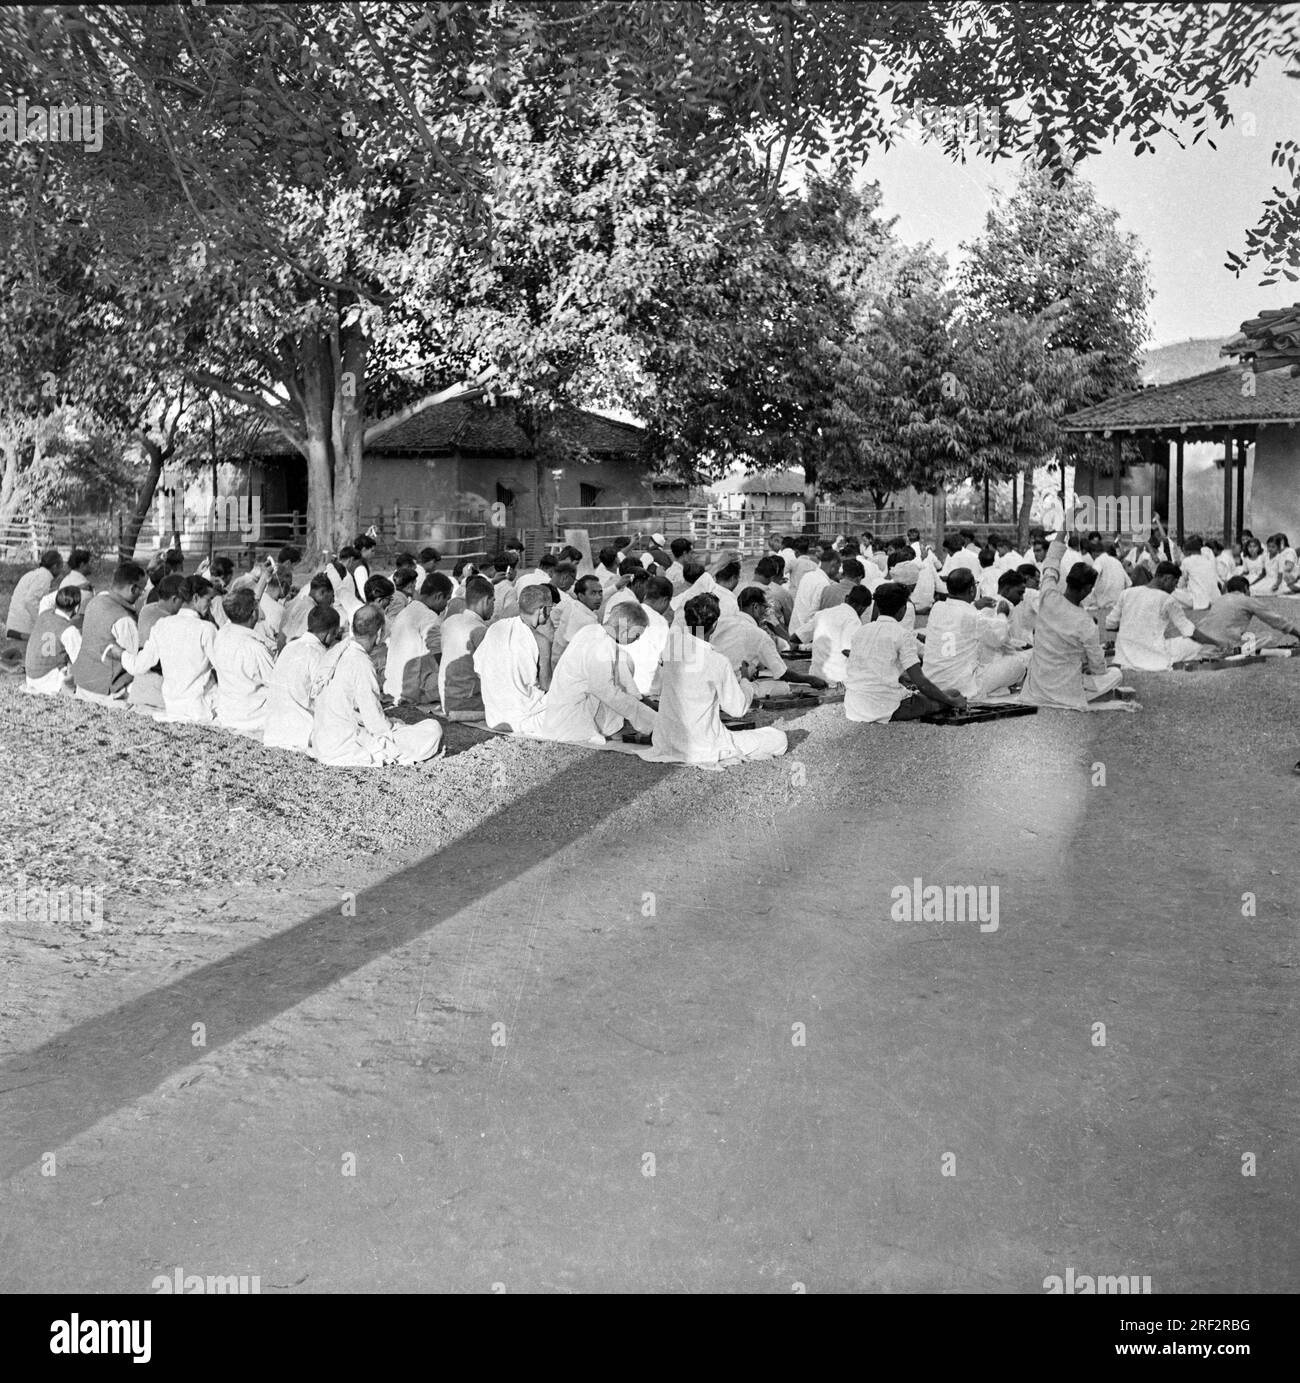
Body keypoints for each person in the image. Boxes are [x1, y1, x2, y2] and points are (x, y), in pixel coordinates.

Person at [640, 593, 788, 767]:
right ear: (715, 625)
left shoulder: (672, 648)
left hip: (665, 740)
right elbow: (738, 709)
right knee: (779, 739)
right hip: (702, 745)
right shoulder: (716, 661)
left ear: (688, 622)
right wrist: (745, 680)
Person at [312, 605, 443, 766]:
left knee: (406, 725)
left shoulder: (336, 650)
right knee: (433, 729)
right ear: (380, 633)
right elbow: (375, 723)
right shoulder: (361, 662)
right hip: (344, 745)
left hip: (322, 739)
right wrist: (394, 728)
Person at [1021, 533, 1127, 710]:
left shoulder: (1048, 595)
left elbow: (1051, 561)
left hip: (1037, 688)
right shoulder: (1086, 623)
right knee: (1116, 674)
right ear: (1087, 589)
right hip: (1066, 691)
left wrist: (1064, 528)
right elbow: (1099, 669)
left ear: (1068, 580)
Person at [527, 604, 658, 745]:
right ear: (625, 629)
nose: (637, 639)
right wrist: (653, 721)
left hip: (561, 714)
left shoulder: (591, 631)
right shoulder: (601, 645)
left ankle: (615, 729)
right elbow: (607, 692)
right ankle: (623, 729)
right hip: (570, 723)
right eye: (637, 635)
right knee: (612, 691)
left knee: (617, 679)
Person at [844, 582, 966, 722]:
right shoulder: (901, 634)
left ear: (877, 606)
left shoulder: (861, 631)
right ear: (902, 610)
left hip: (855, 705)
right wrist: (952, 701)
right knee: (952, 693)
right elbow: (922, 683)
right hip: (886, 707)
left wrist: (901, 679)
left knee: (925, 693)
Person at [115, 575, 218, 721]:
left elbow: (138, 666)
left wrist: (121, 654)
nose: (210, 605)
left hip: (172, 705)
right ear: (195, 598)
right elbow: (222, 666)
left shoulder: (162, 624)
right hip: (200, 708)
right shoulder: (206, 628)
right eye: (208, 600)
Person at [921, 568, 1031, 700]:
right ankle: (992, 690)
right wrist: (1002, 614)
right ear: (972, 590)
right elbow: (999, 639)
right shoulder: (973, 616)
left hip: (932, 683)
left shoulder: (937, 608)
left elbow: (959, 614)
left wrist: (973, 605)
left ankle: (996, 690)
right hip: (962, 686)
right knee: (1018, 663)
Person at [1107, 561, 1228, 670]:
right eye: (1174, 584)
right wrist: (1217, 643)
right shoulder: (1167, 599)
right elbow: (1189, 632)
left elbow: (1110, 624)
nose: (1174, 589)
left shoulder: (1126, 593)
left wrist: (1134, 628)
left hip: (1124, 655)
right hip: (1151, 656)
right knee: (1193, 644)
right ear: (1167, 578)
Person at [712, 585, 828, 692]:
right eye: (765, 608)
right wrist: (809, 679)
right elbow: (783, 673)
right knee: (783, 687)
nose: (767, 612)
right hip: (733, 688)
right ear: (755, 607)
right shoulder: (758, 634)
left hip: (713, 682)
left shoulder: (722, 622)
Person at [264, 604, 344, 752]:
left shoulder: (290, 646)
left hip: (273, 726)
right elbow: (325, 698)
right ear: (330, 633)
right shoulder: (318, 653)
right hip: (301, 730)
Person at [472, 583, 552, 731]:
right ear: (543, 610)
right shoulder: (541, 641)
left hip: (494, 717)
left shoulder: (496, 628)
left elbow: (479, 667)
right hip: (523, 718)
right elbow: (547, 686)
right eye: (550, 608)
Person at [71, 562, 147, 706]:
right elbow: (133, 663)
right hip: (107, 691)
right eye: (141, 591)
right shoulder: (124, 619)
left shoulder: (94, 601)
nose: (141, 595)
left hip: (83, 682)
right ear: (133, 589)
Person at [211, 586, 277, 737]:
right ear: (254, 613)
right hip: (254, 718)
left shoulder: (222, 634)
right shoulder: (254, 648)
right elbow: (276, 684)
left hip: (227, 712)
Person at [383, 572, 452, 704]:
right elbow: (439, 656)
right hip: (414, 691)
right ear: (438, 596)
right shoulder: (429, 616)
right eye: (447, 599)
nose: (446, 605)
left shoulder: (407, 611)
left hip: (394, 686)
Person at [127, 573, 188, 714]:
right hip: (159, 685)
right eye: (183, 601)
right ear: (175, 599)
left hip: (140, 684)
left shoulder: (147, 609)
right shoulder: (171, 621)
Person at [439, 575, 496, 718]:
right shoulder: (480, 630)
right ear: (485, 601)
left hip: (445, 697)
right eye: (493, 602)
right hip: (466, 703)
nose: (493, 607)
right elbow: (490, 673)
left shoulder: (449, 622)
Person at [1193, 576, 1300, 649]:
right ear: (1245, 588)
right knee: (1268, 637)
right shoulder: (1246, 600)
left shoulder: (1220, 599)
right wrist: (1298, 634)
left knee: (1245, 635)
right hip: (1225, 644)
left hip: (1203, 640)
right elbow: (1275, 620)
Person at [23, 585, 82, 695]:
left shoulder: (44, 612)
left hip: (31, 677)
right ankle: (67, 688)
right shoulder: (69, 630)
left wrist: (67, 591)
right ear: (76, 608)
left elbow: (46, 599)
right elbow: (81, 662)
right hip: (50, 682)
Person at [808, 585, 872, 686]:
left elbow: (796, 637)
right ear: (862, 608)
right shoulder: (853, 620)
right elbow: (847, 651)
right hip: (837, 681)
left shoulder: (822, 614)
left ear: (847, 598)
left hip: (816, 676)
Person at [629, 573, 672, 695]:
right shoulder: (660, 622)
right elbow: (666, 659)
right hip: (647, 689)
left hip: (623, 685)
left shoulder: (628, 611)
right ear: (665, 600)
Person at [7, 549, 63, 640]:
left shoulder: (35, 574)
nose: (61, 570)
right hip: (23, 630)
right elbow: (30, 601)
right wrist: (42, 624)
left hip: (14, 626)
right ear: (55, 566)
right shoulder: (44, 577)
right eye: (61, 566)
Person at [789, 547, 840, 642]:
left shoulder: (808, 576)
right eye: (838, 568)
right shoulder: (824, 584)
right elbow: (814, 616)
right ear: (834, 564)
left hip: (795, 629)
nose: (838, 572)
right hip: (804, 637)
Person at [553, 574, 602, 664]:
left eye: (600, 592)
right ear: (581, 596)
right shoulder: (583, 619)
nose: (599, 597)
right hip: (567, 667)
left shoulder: (574, 605)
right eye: (593, 593)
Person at [37, 547, 94, 617]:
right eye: (90, 563)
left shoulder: (66, 579)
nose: (92, 566)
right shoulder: (85, 586)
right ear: (82, 565)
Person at [1174, 534, 1221, 609]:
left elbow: (1181, 582)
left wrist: (1179, 588)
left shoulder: (1187, 561)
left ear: (1188, 552)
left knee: (1172, 593)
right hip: (1215, 599)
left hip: (1198, 600)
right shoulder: (1207, 560)